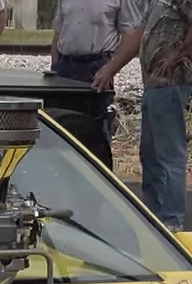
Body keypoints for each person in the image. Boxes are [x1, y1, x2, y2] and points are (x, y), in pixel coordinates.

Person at [93, 0, 192, 232]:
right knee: (151, 152)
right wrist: (111, 68)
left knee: (166, 152)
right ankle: (154, 216)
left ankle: (170, 219)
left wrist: (179, 54)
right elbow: (138, 34)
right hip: (155, 83)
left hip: (171, 81)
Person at [50, 0, 140, 169]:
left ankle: (99, 180)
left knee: (95, 136)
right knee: (61, 130)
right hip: (65, 67)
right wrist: (55, 65)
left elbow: (132, 36)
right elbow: (58, 31)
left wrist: (111, 69)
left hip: (96, 68)